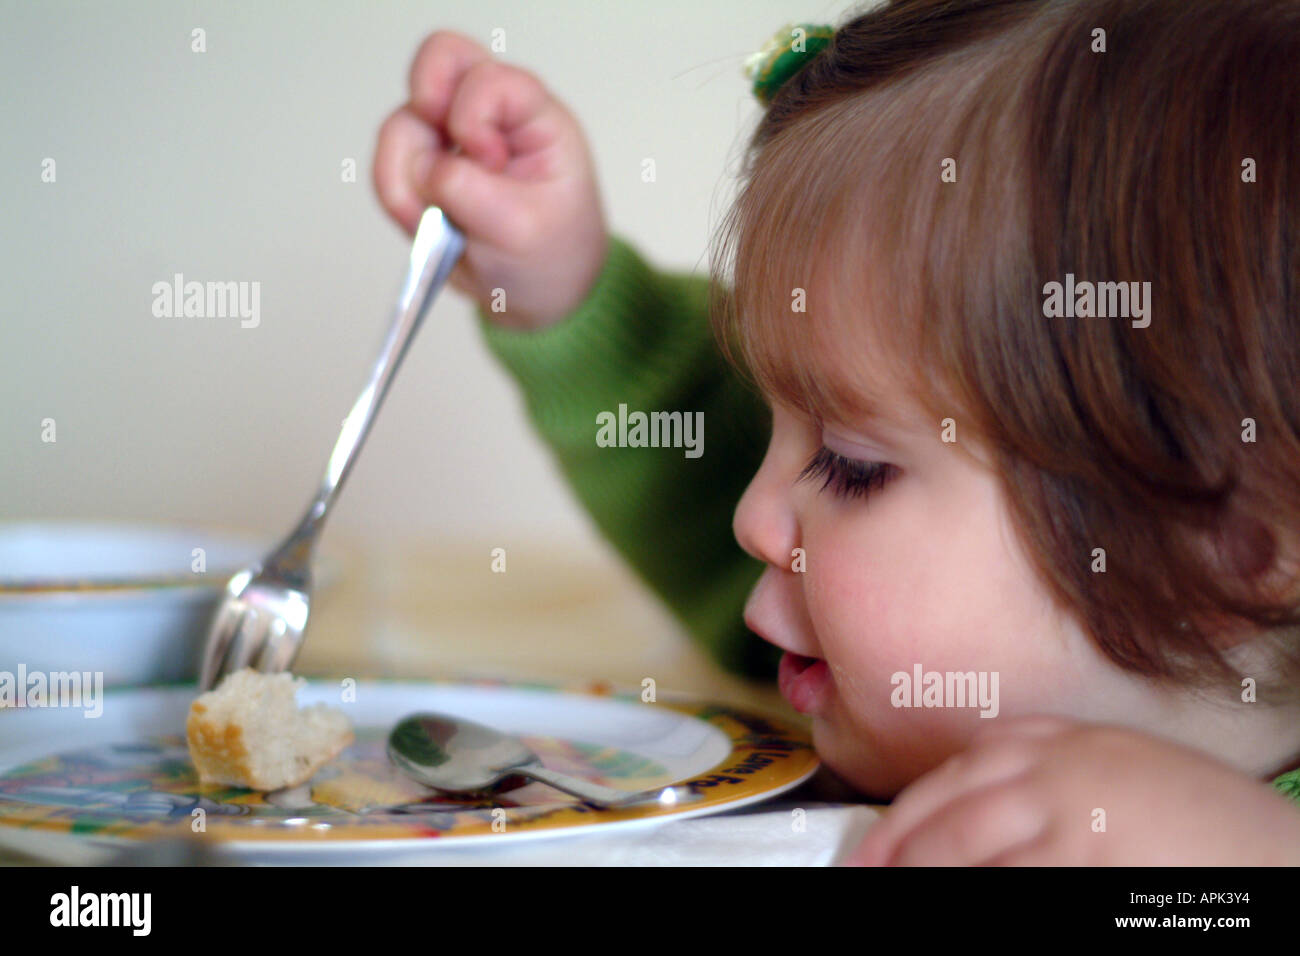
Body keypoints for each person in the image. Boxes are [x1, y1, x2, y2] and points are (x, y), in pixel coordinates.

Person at [373, 0, 1300, 864]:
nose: (749, 516)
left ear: (1229, 550)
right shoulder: (875, 681)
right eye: (772, 427)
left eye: (854, 469)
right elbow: (700, 472)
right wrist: (568, 288)